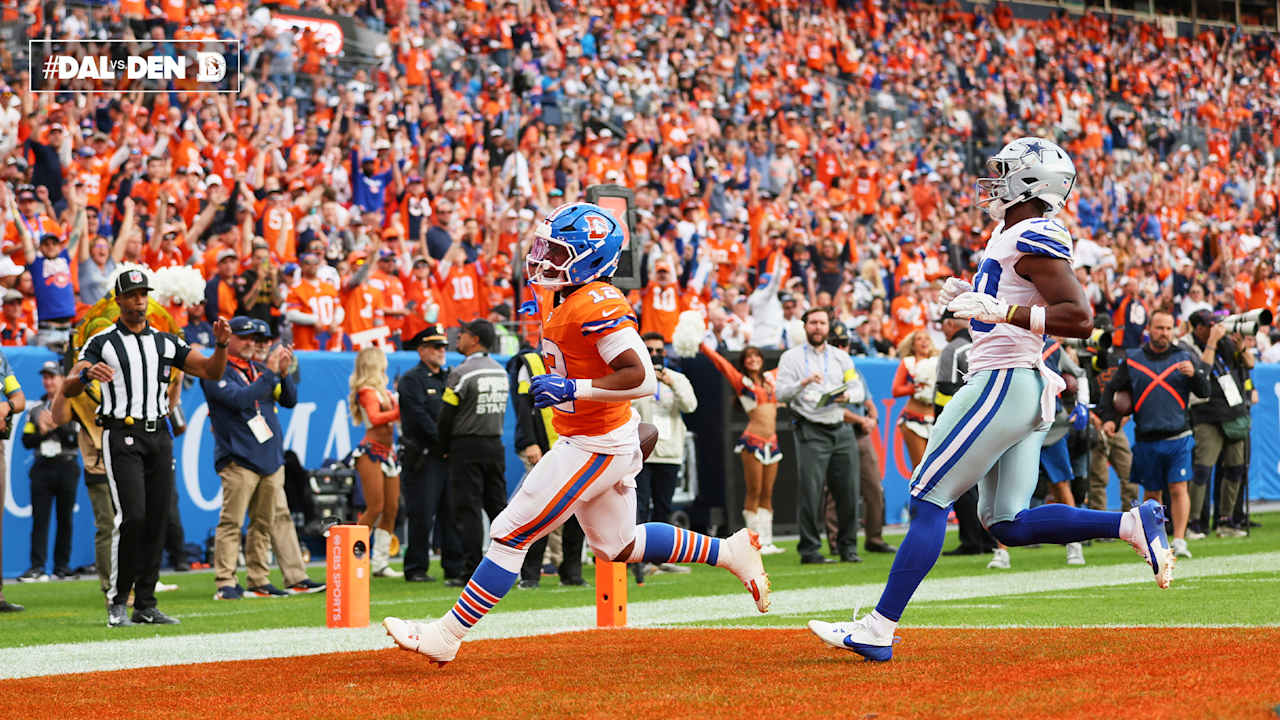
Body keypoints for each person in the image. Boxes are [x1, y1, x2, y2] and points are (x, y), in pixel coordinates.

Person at [808, 138, 1175, 661]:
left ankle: (879, 628)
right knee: (1007, 523)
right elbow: (1016, 298)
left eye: (1005, 172)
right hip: (1018, 382)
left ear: (1032, 183)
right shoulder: (1009, 234)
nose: (993, 181)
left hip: (1003, 380)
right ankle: (1128, 523)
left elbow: (1080, 319)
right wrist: (973, 298)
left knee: (927, 498)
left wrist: (1002, 313)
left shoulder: (1034, 233)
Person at [384, 202, 769, 665]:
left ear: (589, 259)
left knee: (509, 532)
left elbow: (642, 376)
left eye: (557, 251)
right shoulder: (565, 295)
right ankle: (728, 551)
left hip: (594, 441)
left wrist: (574, 387)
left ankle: (446, 635)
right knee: (617, 544)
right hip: (595, 435)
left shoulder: (597, 301)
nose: (543, 258)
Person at [63, 268, 231, 627]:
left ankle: (147, 603)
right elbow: (68, 388)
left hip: (159, 435)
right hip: (121, 433)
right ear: (119, 300)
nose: (140, 299)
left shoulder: (166, 342)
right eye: (133, 294)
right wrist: (84, 375)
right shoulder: (102, 341)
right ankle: (118, 599)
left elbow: (211, 372)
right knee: (132, 516)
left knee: (158, 519)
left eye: (144, 293)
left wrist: (221, 345)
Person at [203, 317, 325, 599]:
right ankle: (226, 582)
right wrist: (271, 374)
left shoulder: (258, 369)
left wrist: (283, 374)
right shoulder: (217, 370)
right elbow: (239, 400)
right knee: (232, 522)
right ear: (230, 338)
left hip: (269, 457)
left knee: (264, 522)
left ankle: (260, 579)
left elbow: (290, 401)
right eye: (245, 337)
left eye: (255, 340)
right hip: (238, 458)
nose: (251, 344)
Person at [1099, 310, 1210, 560]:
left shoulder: (1184, 356)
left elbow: (1205, 391)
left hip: (1178, 435)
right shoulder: (1134, 359)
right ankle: (1156, 541)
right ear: (1149, 329)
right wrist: (1110, 419)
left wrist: (1194, 374)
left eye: (1169, 328)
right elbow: (1112, 390)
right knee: (1151, 494)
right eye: (1160, 328)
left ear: (1174, 330)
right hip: (1147, 436)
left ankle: (1179, 539)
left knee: (1179, 488)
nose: (1164, 333)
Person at [776, 306, 863, 564]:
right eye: (812, 322)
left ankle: (848, 547)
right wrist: (802, 383)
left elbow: (858, 388)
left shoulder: (840, 357)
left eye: (822, 323)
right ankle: (810, 549)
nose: (817, 327)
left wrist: (848, 396)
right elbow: (780, 394)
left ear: (829, 327)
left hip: (840, 426)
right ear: (804, 326)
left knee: (848, 491)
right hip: (811, 428)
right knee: (810, 492)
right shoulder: (791, 358)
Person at [435, 319, 510, 585]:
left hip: (466, 446)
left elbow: (446, 417)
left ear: (475, 339)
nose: (458, 337)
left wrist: (443, 448)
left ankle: (471, 572)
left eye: (463, 333)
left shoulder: (462, 372)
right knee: (499, 509)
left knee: (467, 511)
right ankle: (509, 566)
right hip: (495, 445)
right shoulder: (500, 371)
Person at [510, 339, 586, 589]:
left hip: (577, 446)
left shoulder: (580, 360)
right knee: (540, 510)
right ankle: (531, 574)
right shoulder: (532, 362)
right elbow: (523, 405)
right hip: (544, 447)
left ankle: (572, 572)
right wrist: (530, 441)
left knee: (576, 512)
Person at [699, 340, 784, 554]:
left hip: (772, 442)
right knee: (754, 490)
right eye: (749, 357)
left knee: (768, 492)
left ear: (762, 360)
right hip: (753, 441)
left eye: (756, 356)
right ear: (744, 363)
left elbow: (789, 363)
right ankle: (754, 542)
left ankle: (767, 540)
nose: (753, 359)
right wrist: (702, 344)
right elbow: (722, 365)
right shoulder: (742, 382)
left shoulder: (770, 379)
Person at [397, 324, 463, 583]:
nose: (441, 351)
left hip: (448, 456)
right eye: (436, 347)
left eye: (443, 347)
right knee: (422, 513)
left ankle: (454, 566)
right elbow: (419, 419)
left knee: (452, 513)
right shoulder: (412, 380)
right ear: (422, 350)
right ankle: (415, 567)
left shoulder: (449, 377)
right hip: (424, 456)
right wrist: (445, 442)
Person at [632, 332, 698, 579]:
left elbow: (690, 406)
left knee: (663, 507)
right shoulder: (634, 377)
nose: (654, 355)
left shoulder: (678, 378)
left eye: (659, 351)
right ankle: (638, 559)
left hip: (670, 452)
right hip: (642, 454)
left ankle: (659, 559)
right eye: (649, 350)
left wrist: (671, 383)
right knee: (639, 506)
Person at [1183, 310, 1251, 538]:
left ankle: (1226, 520)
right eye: (1209, 325)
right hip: (1207, 415)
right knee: (1202, 470)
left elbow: (1249, 363)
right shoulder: (1186, 346)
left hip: (1233, 413)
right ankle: (1193, 523)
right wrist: (1211, 342)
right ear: (1198, 327)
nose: (1214, 329)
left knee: (1235, 468)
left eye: (1215, 325)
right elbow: (1202, 373)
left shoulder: (1225, 343)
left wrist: (1241, 346)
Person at [933, 311, 993, 556]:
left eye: (942, 326)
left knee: (961, 485)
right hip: (987, 421)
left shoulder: (952, 350)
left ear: (949, 324)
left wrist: (940, 425)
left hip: (959, 424)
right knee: (983, 483)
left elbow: (945, 390)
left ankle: (971, 541)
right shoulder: (982, 347)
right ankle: (988, 540)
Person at [18, 361, 79, 582]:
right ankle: (37, 566)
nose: (48, 381)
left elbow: (75, 439)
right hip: (42, 465)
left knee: (65, 519)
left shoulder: (72, 405)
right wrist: (44, 432)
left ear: (62, 379)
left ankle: (62, 566)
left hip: (66, 464)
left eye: (52, 377)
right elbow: (27, 440)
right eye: (45, 377)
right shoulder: (36, 409)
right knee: (39, 519)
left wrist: (56, 425)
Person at [349, 346, 403, 578]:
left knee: (392, 508)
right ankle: (351, 558)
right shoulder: (366, 391)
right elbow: (375, 418)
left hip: (388, 452)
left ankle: (379, 562)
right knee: (375, 507)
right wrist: (400, 410)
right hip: (371, 452)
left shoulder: (383, 391)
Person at [892, 329, 938, 469]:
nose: (924, 341)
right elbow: (896, 390)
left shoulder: (939, 361)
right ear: (912, 345)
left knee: (934, 468)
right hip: (913, 420)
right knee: (920, 469)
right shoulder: (908, 363)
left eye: (926, 338)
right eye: (919, 339)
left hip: (935, 420)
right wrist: (914, 388)